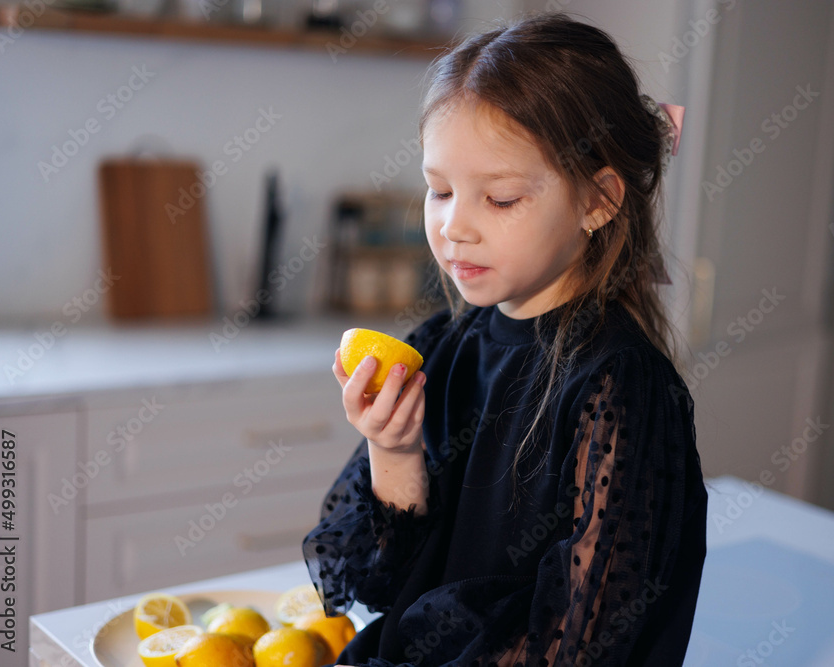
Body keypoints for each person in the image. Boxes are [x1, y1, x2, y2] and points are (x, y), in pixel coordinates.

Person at [303, 11, 707, 666]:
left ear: (598, 200)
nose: (454, 226)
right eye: (439, 190)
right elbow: (380, 586)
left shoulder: (619, 388)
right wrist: (393, 446)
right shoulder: (443, 344)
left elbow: (582, 644)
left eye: (500, 199)